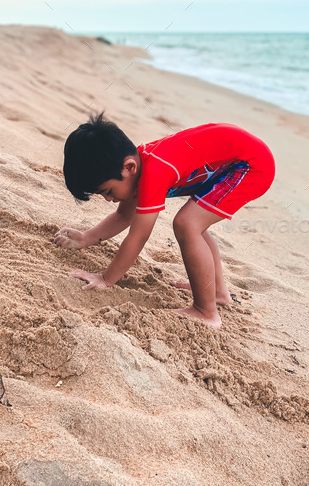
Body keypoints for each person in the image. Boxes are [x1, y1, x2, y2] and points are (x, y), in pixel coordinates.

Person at [54, 113, 275, 329]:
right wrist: (86, 238)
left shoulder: (155, 171)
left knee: (188, 224)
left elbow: (138, 236)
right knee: (193, 224)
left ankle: (205, 311)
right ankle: (216, 291)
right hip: (231, 162)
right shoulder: (138, 168)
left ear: (129, 167)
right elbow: (123, 216)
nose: (109, 199)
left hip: (251, 165)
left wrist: (105, 279)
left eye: (108, 191)